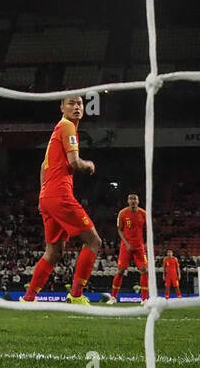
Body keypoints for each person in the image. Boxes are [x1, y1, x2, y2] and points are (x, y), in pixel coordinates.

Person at [21, 95, 101, 304]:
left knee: (53, 251)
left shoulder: (59, 129)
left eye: (79, 104)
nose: (76, 107)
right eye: (71, 103)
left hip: (48, 196)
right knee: (93, 241)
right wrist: (89, 165)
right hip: (60, 195)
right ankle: (76, 295)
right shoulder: (67, 127)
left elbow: (42, 166)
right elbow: (75, 162)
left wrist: (41, 195)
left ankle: (29, 298)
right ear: (62, 107)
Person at [106, 193, 149, 303]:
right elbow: (120, 230)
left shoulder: (144, 213)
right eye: (131, 198)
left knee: (144, 270)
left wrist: (147, 242)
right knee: (120, 271)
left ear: (138, 201)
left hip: (139, 246)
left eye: (135, 199)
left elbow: (149, 229)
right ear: (128, 201)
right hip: (126, 246)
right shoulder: (122, 213)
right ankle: (113, 297)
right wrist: (127, 243)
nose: (133, 200)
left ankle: (144, 299)